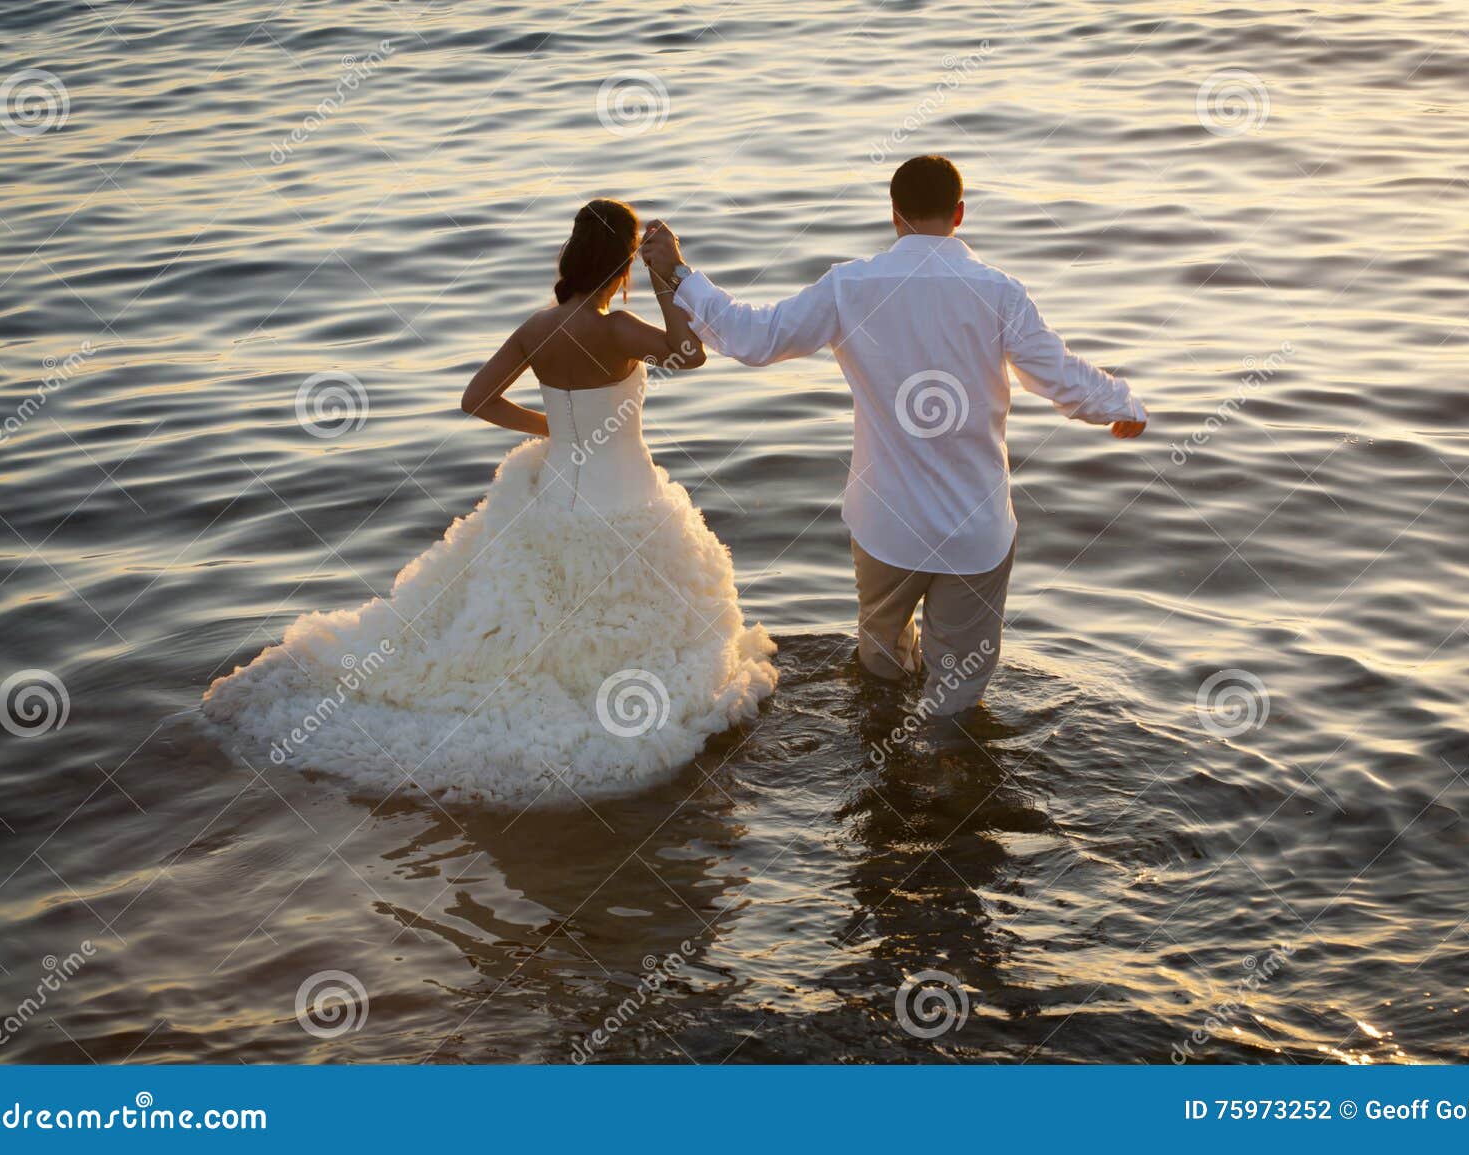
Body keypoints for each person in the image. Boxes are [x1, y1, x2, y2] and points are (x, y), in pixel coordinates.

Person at [203, 199, 776, 804]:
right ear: (622, 267)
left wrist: (555, 428)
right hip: (627, 503)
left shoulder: (537, 327)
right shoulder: (616, 329)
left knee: (541, 624)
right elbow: (690, 356)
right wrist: (667, 283)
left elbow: (476, 399)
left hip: (553, 496)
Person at [639, 155, 1146, 716]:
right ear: (959, 213)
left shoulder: (849, 286)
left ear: (895, 215)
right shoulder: (1000, 292)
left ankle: (887, 774)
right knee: (958, 687)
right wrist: (1121, 404)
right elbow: (1061, 378)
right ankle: (951, 773)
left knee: (881, 670)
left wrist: (680, 274)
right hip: (973, 529)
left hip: (886, 525)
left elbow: (755, 337)